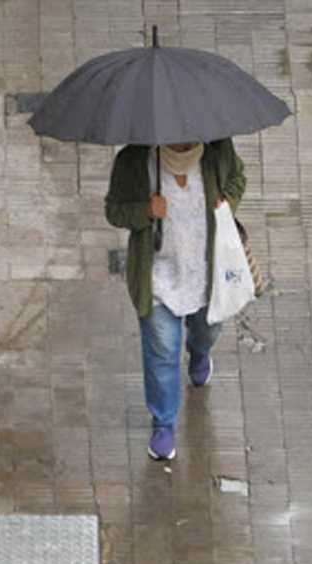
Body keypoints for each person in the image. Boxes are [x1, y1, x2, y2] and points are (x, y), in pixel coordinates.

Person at [105, 139, 246, 460]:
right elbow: (113, 210)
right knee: (163, 354)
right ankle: (164, 423)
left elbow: (238, 178)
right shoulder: (133, 159)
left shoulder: (217, 150)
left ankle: (199, 354)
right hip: (159, 279)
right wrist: (144, 211)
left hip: (207, 275)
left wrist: (228, 202)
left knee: (207, 330)